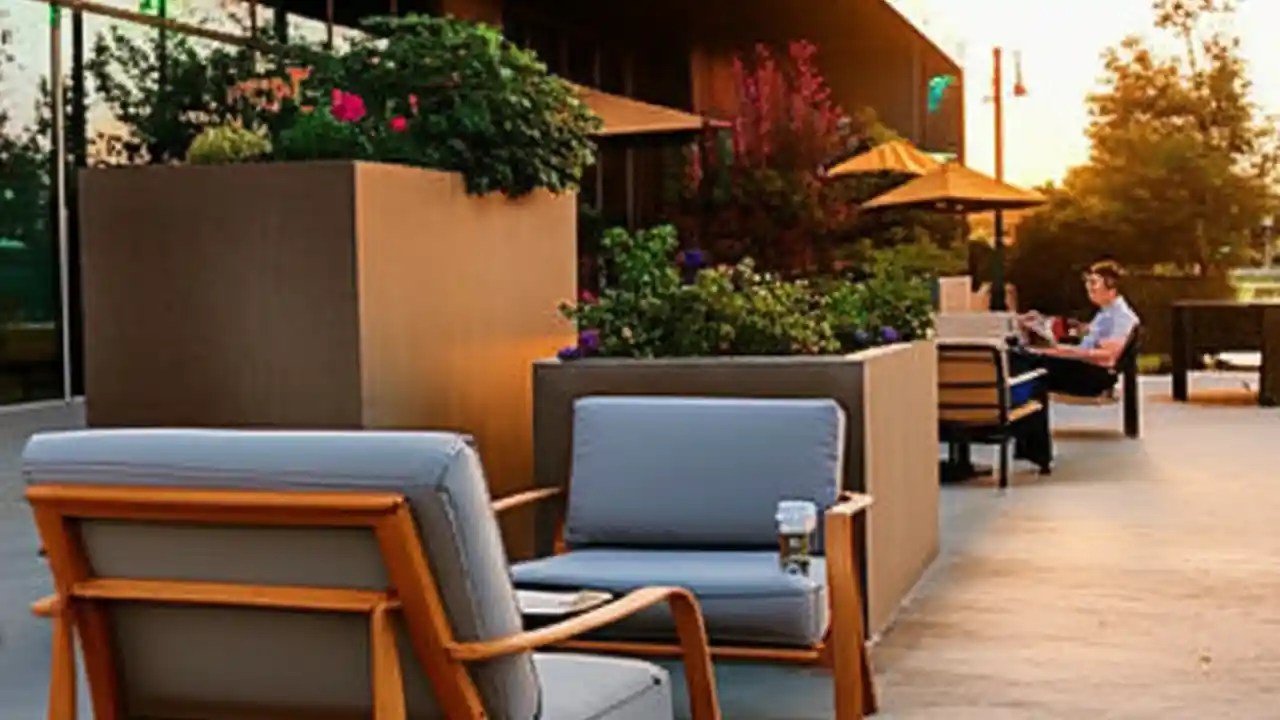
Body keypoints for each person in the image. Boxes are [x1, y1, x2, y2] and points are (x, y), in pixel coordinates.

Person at [1013, 260, 1140, 397]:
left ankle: (1012, 407)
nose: (1088, 287)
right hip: (1086, 369)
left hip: (1092, 376)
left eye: (1093, 282)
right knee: (1023, 356)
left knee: (1024, 361)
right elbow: (1089, 341)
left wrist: (1064, 352)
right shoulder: (1107, 312)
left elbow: (1107, 357)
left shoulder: (1121, 316)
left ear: (1112, 288)